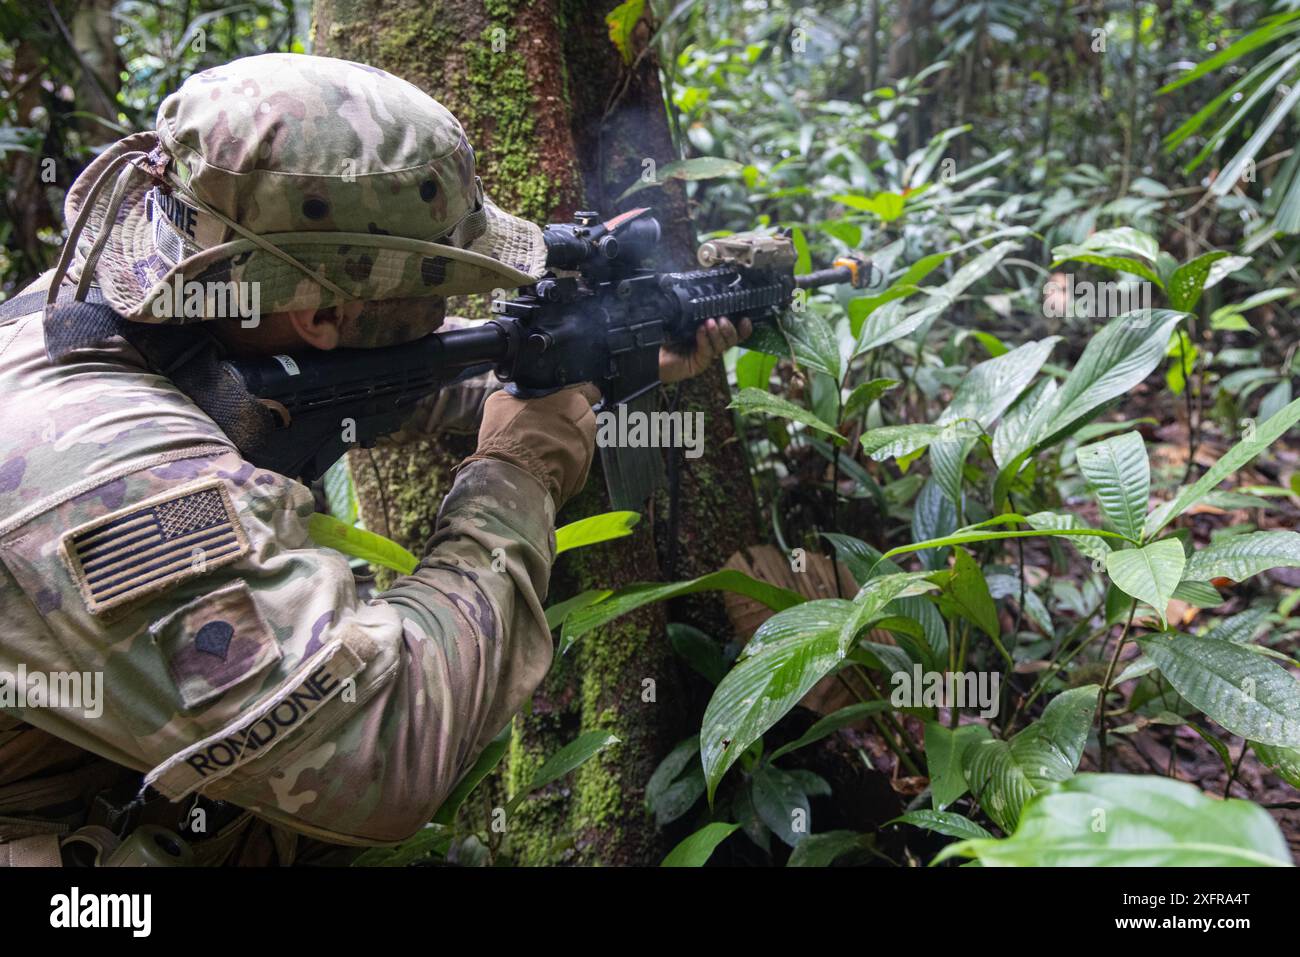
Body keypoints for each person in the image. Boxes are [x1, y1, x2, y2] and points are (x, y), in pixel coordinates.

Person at [0, 52, 746, 866]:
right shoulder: (112, 478)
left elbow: (337, 382)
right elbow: (377, 754)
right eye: (434, 287)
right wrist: (516, 475)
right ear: (322, 311)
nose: (445, 308)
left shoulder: (138, 306)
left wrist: (578, 360)